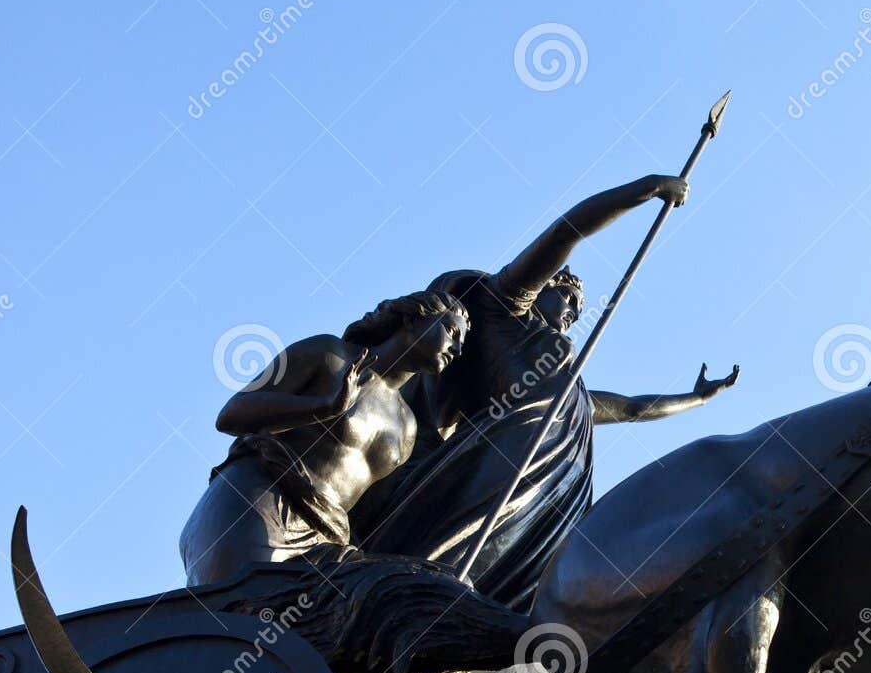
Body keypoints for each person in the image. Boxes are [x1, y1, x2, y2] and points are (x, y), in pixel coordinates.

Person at [354, 174, 739, 609]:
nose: (573, 312)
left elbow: (631, 409)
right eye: (566, 296)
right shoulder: (505, 306)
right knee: (439, 564)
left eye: (577, 308)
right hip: (491, 472)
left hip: (545, 494)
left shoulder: (562, 391)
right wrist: (645, 189)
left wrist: (699, 398)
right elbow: (565, 232)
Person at [180, 291, 468, 586]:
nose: (457, 348)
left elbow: (368, 518)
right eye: (451, 331)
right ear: (411, 320)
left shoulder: (406, 427)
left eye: (462, 341)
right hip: (260, 501)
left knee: (436, 586)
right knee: (243, 608)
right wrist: (321, 408)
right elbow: (232, 416)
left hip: (325, 538)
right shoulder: (330, 355)